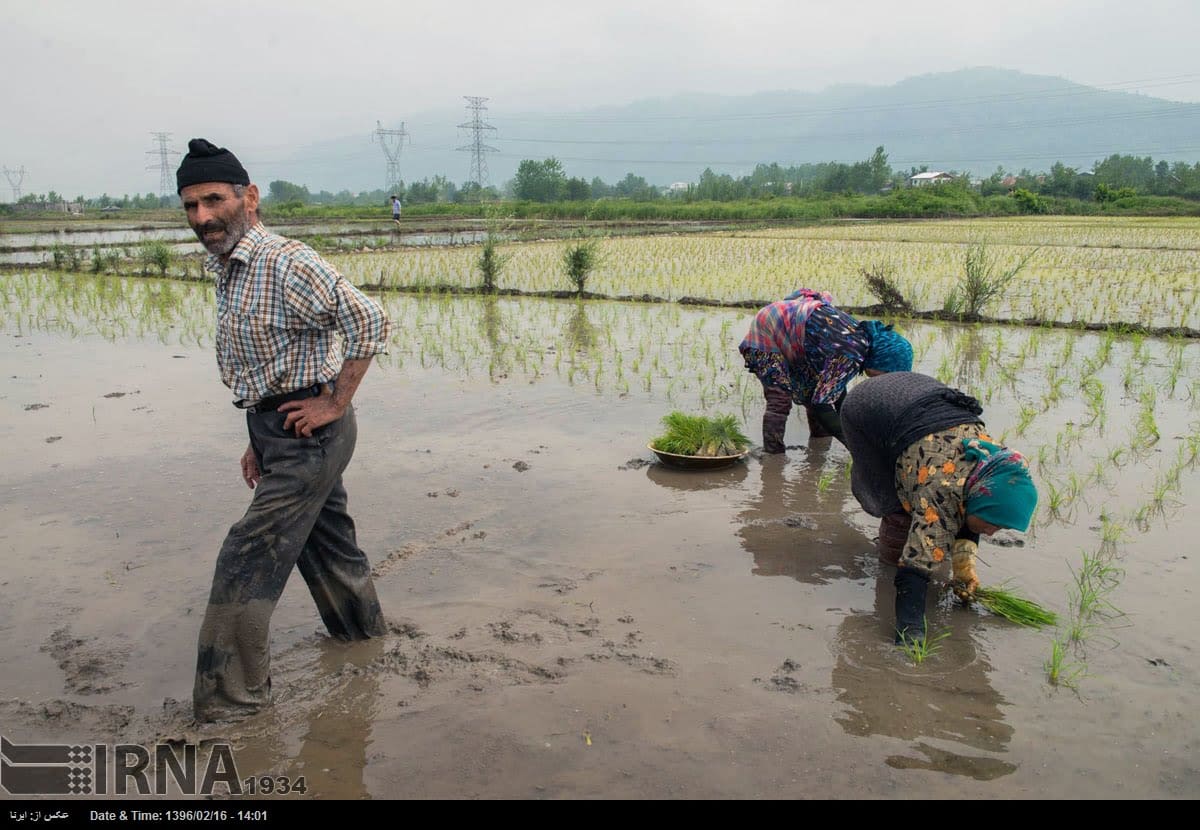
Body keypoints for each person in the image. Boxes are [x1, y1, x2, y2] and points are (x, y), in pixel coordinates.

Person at [177, 138, 391, 722]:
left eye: (213, 200)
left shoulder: (285, 261)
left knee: (245, 560)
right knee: (328, 547)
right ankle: (363, 637)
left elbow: (369, 321)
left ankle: (232, 708)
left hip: (311, 433)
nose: (203, 217)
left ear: (248, 197)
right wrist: (258, 437)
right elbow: (268, 364)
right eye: (191, 206)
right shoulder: (228, 266)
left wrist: (334, 403)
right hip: (281, 430)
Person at [839, 372, 1038, 645]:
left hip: (915, 395)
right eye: (993, 524)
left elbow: (970, 512)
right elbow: (914, 571)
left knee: (937, 513)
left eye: (999, 527)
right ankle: (888, 554)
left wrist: (963, 567)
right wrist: (911, 633)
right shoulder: (943, 489)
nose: (992, 533)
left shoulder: (995, 469)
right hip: (867, 409)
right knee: (894, 502)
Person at [738, 289, 913, 452]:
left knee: (817, 391)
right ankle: (773, 457)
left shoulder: (861, 344)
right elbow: (821, 403)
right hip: (770, 327)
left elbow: (835, 390)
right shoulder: (851, 351)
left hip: (800, 336)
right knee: (779, 398)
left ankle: (818, 448)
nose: (883, 380)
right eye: (887, 373)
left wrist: (856, 430)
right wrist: (856, 447)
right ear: (881, 360)